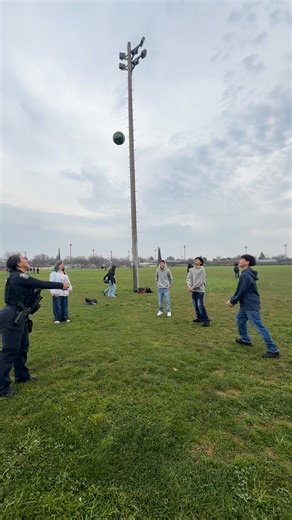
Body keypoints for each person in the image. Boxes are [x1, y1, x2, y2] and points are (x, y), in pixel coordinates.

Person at [0, 254, 69, 397]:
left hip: (21, 314)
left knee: (22, 348)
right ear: (19, 264)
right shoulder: (18, 276)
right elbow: (39, 283)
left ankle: (22, 376)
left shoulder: (18, 275)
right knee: (10, 352)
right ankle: (2, 387)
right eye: (23, 258)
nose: (27, 259)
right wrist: (61, 285)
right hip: (12, 315)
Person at [226, 254, 280, 359]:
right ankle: (245, 339)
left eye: (241, 259)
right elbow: (241, 290)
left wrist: (232, 301)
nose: (239, 261)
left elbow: (241, 290)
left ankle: (273, 350)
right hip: (246, 305)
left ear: (247, 262)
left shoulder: (246, 275)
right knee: (240, 319)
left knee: (259, 326)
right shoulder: (246, 273)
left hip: (250, 305)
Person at [187, 256, 210, 326]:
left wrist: (193, 287)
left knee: (200, 305)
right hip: (193, 290)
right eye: (195, 260)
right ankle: (199, 318)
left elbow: (200, 281)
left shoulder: (202, 270)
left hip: (200, 290)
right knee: (195, 305)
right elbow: (189, 278)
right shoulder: (191, 270)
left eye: (197, 260)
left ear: (200, 262)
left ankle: (206, 320)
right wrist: (189, 286)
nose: (196, 261)